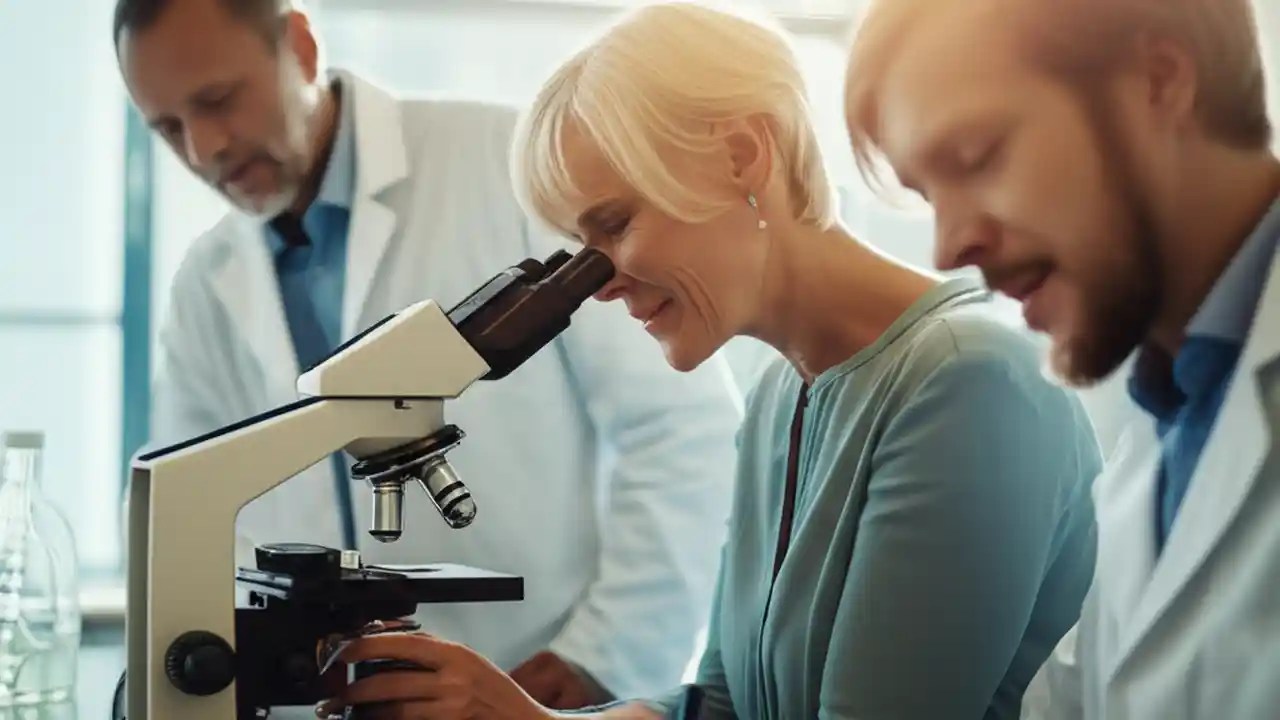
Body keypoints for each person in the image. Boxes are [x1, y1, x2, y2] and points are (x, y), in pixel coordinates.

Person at [312, 4, 1104, 719]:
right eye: (582, 251)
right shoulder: (778, 399)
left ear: (740, 155)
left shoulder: (969, 385)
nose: (598, 286)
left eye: (614, 226)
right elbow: (723, 705)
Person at [112, 0, 745, 710]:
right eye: (168, 129)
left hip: (534, 682)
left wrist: (595, 661)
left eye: (219, 100)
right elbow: (186, 505)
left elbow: (681, 431)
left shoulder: (503, 167)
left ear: (299, 46)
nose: (204, 149)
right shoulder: (207, 281)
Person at [843, 0, 1280, 717]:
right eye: (929, 197)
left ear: (1159, 81)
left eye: (977, 157)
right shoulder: (1166, 420)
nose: (948, 249)